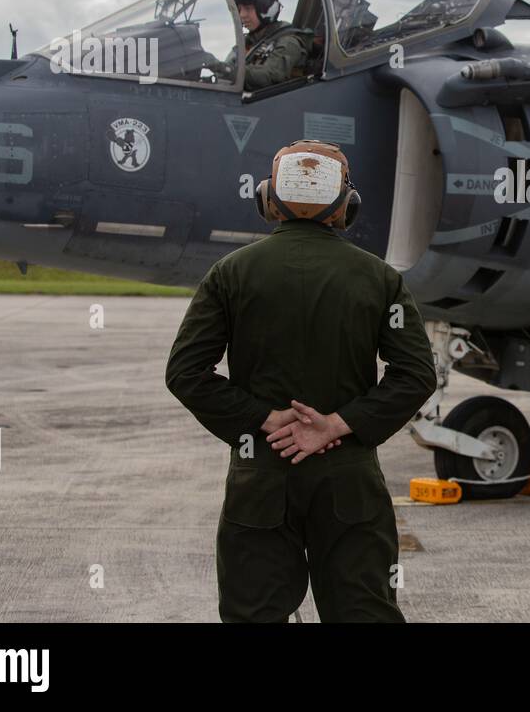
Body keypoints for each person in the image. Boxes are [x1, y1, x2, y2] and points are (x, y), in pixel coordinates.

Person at [165, 140, 437, 622]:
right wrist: (337, 424)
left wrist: (264, 419)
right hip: (348, 480)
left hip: (262, 477)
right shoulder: (380, 280)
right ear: (346, 207)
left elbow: (186, 373)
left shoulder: (229, 274)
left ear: (269, 200)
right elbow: (415, 374)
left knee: (254, 614)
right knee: (363, 614)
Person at [206, 0, 310, 90]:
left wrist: (224, 68)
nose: (242, 15)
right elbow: (226, 74)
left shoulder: (289, 42)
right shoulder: (247, 44)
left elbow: (270, 75)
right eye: (240, 9)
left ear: (266, 9)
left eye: (248, 8)